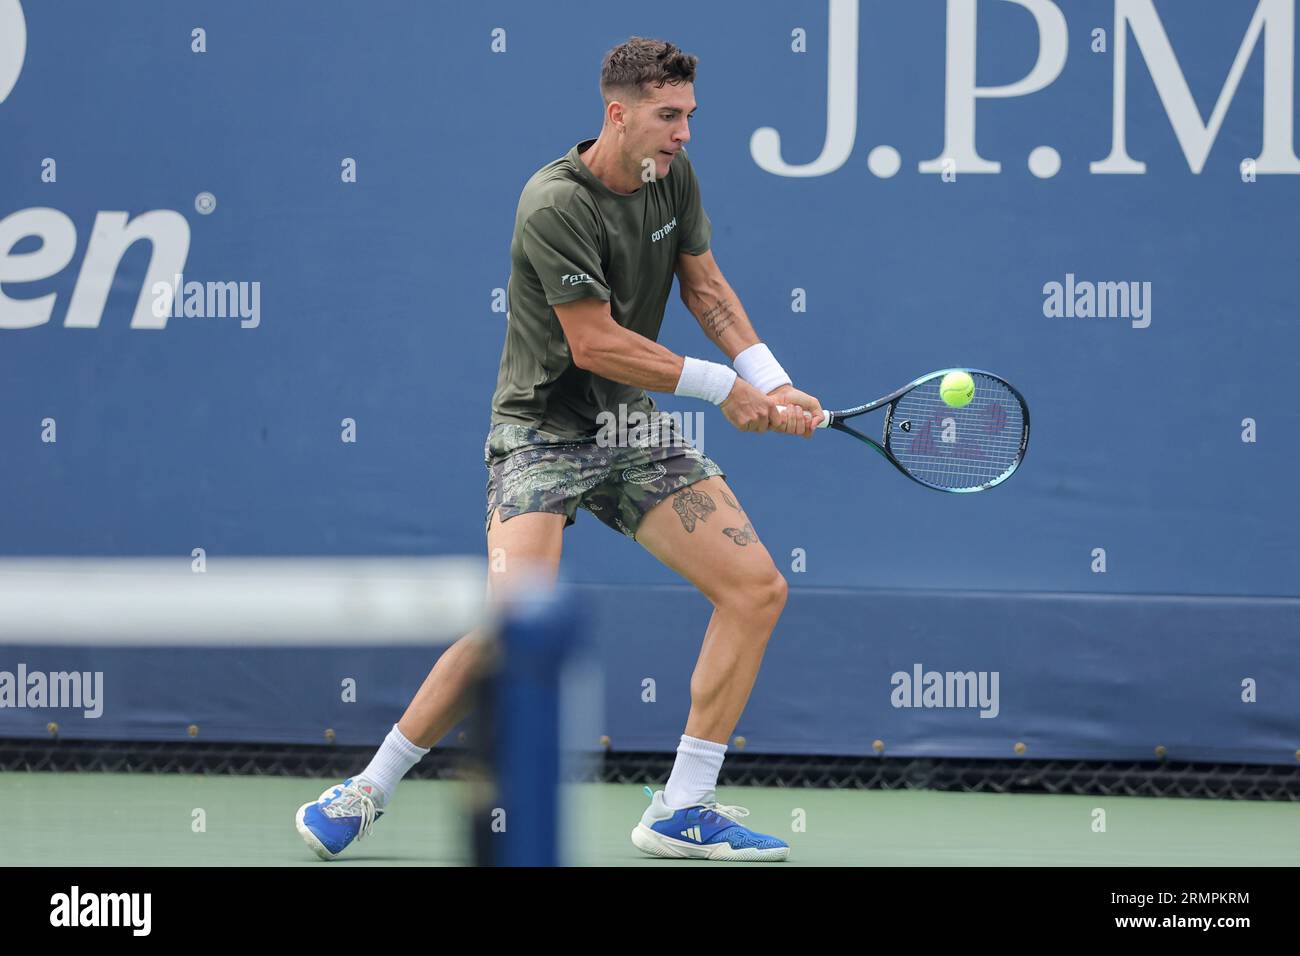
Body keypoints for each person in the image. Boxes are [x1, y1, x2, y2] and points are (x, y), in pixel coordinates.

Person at [296, 35, 823, 863]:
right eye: (668, 116)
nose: (685, 133)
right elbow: (595, 344)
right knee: (515, 625)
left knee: (757, 589)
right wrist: (728, 392)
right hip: (540, 428)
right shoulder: (554, 202)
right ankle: (370, 786)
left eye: (689, 115)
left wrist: (772, 378)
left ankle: (683, 805)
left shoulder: (673, 176)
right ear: (618, 113)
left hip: (627, 423)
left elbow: (705, 286)